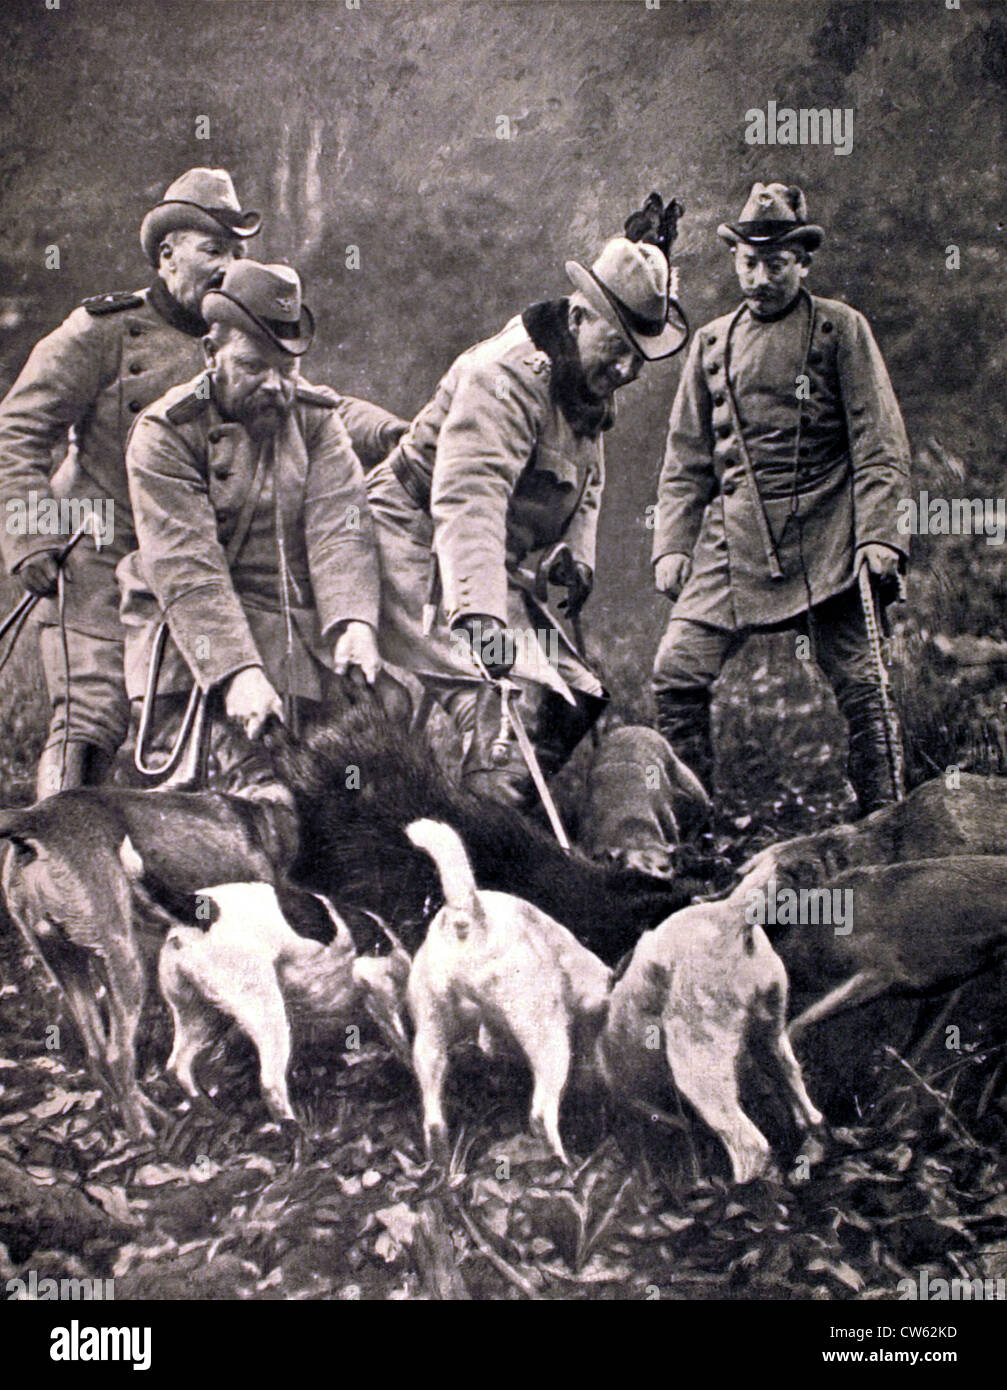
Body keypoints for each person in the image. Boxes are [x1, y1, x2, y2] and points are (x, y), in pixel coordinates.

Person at [367, 214, 688, 806]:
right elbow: (470, 500)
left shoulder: (586, 383)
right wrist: (483, 619)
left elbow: (588, 477)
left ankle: (507, 818)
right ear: (577, 318)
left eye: (639, 359)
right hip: (408, 541)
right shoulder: (505, 378)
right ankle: (487, 853)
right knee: (502, 694)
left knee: (576, 696)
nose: (626, 372)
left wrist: (576, 553)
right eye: (618, 349)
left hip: (487, 559)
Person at [650, 182, 911, 815]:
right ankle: (695, 832)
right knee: (675, 672)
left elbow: (880, 444)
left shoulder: (841, 329)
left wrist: (879, 535)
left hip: (827, 533)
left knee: (861, 681)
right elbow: (686, 461)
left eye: (775, 262)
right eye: (748, 261)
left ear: (802, 262)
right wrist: (673, 546)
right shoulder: (711, 344)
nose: (760, 277)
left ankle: (884, 822)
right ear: (734, 259)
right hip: (737, 542)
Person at [0, 168, 259, 795]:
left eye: (236, 252)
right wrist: (33, 536)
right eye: (211, 249)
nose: (226, 266)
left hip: (191, 570)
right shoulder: (104, 330)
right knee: (91, 721)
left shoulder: (244, 343)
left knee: (192, 737)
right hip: (95, 560)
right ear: (167, 254)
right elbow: (17, 429)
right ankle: (53, 869)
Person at [117, 259, 388, 814]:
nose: (275, 385)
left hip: (295, 645)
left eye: (287, 369)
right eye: (252, 365)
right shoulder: (166, 435)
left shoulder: (315, 418)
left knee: (358, 796)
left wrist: (354, 623)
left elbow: (342, 524)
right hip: (196, 651)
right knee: (261, 808)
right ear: (210, 353)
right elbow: (190, 575)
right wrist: (238, 675)